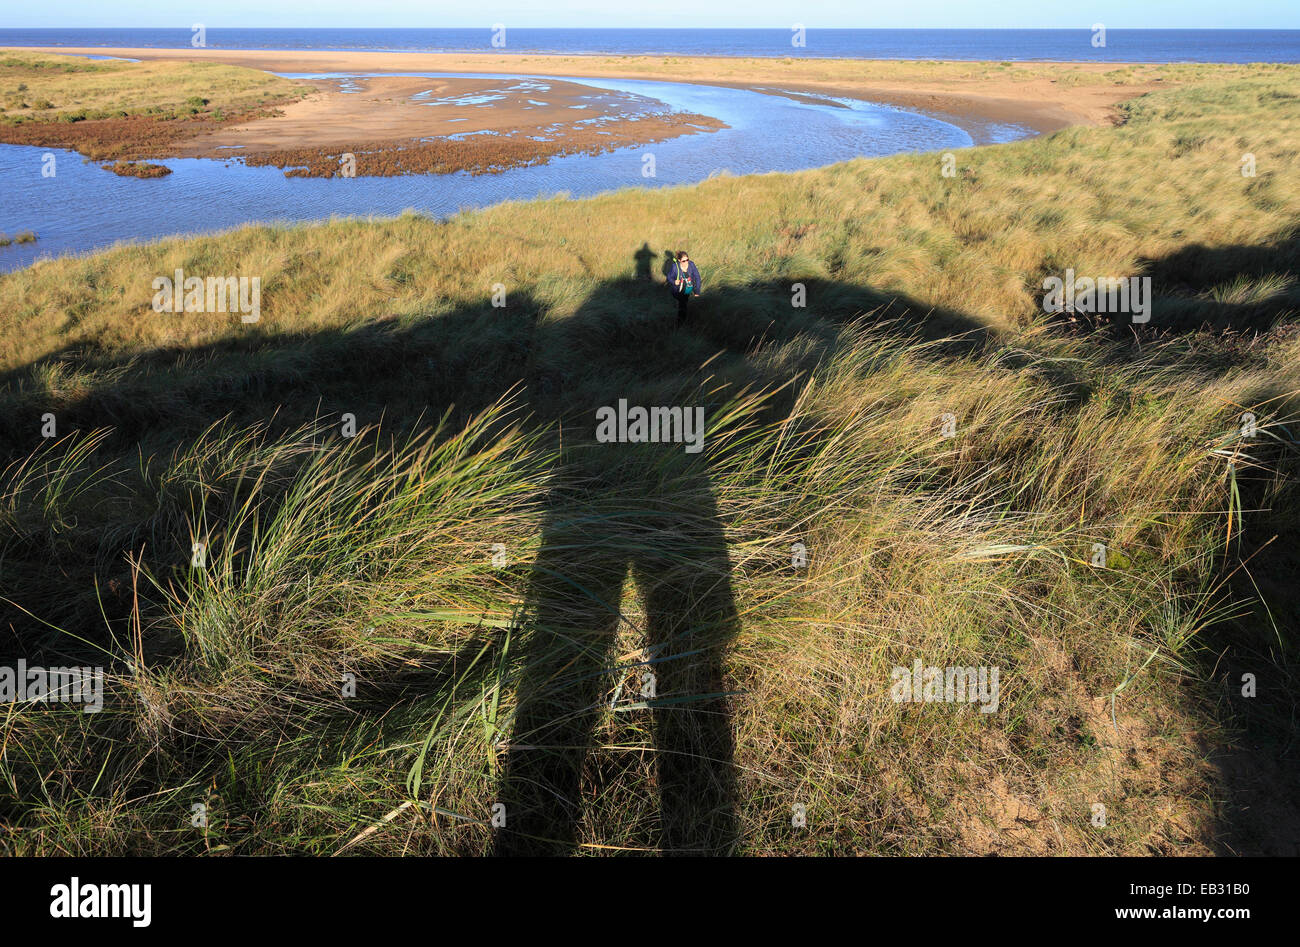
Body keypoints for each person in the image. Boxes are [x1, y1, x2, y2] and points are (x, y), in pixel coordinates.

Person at [668, 250, 702, 324]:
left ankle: (683, 319)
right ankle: (680, 323)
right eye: (684, 261)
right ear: (679, 260)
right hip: (678, 290)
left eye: (687, 260)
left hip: (688, 289)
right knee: (682, 306)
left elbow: (697, 277)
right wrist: (674, 282)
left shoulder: (691, 264)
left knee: (685, 302)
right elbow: (669, 277)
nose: (686, 262)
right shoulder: (674, 267)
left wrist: (697, 291)